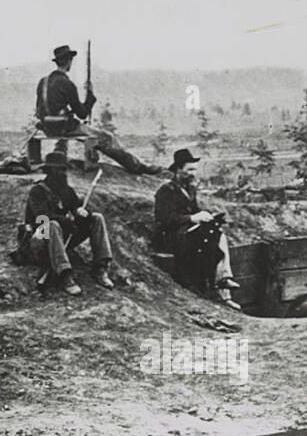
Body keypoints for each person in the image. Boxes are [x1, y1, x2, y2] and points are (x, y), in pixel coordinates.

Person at [30, 45, 162, 176]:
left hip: (47, 127)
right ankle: (137, 167)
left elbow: (39, 110)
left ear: (57, 62)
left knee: (68, 128)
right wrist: (90, 96)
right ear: (69, 61)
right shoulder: (67, 84)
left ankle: (60, 153)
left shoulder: (43, 82)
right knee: (107, 138)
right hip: (64, 128)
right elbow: (82, 114)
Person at [16, 151, 114, 296]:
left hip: (59, 240)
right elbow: (42, 218)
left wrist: (82, 213)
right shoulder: (37, 191)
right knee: (52, 224)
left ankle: (100, 268)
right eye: (58, 169)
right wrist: (65, 221)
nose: (63, 173)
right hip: (39, 242)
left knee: (96, 218)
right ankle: (64, 275)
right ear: (49, 171)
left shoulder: (66, 191)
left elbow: (77, 207)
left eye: (64, 169)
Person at [153, 148, 241, 309]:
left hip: (188, 233)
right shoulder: (166, 191)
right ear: (178, 169)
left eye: (194, 169)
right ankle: (220, 289)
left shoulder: (190, 189)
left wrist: (206, 215)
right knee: (212, 237)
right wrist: (192, 218)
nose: (193, 173)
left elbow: (194, 210)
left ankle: (223, 286)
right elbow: (164, 219)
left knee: (217, 233)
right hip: (172, 236)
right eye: (189, 170)